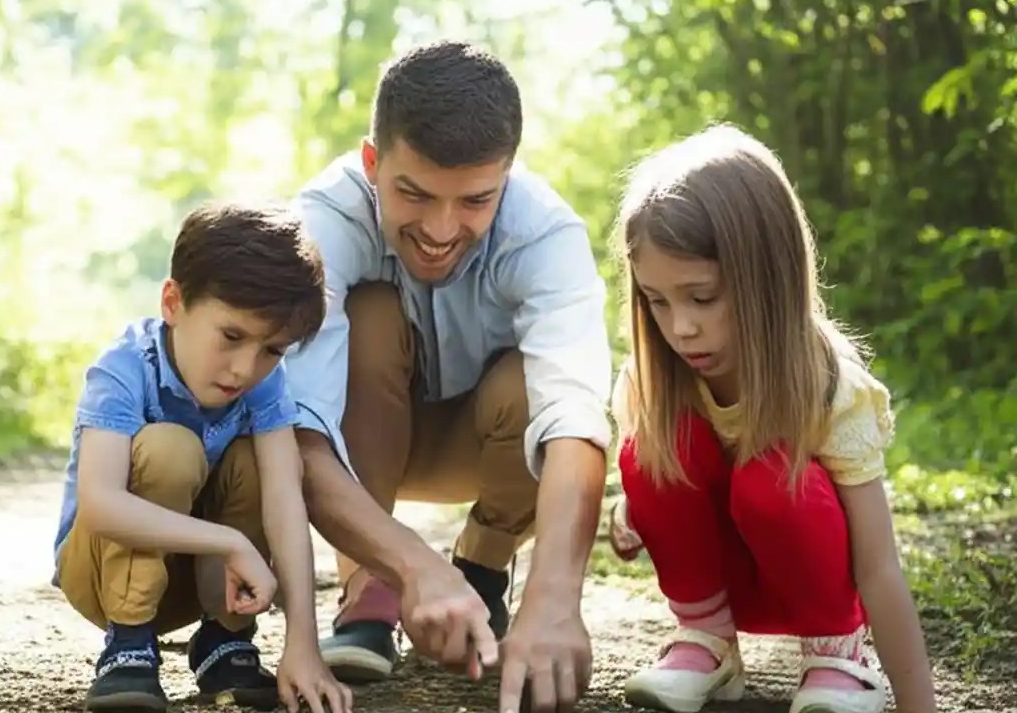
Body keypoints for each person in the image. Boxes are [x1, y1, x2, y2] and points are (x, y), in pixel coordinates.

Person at [283, 40, 615, 713]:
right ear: (372, 164)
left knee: (542, 389)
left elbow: (577, 426)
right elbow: (300, 438)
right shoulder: (320, 221)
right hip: (362, 441)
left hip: (485, 439)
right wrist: (409, 566)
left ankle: (483, 570)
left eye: (474, 201)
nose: (440, 228)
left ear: (509, 176)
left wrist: (555, 600)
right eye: (413, 193)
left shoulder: (545, 236)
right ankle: (369, 586)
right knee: (369, 316)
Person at [606, 124, 937, 713]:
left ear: (768, 280)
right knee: (651, 447)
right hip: (720, 585)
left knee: (770, 477)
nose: (680, 327)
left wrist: (919, 706)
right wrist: (636, 503)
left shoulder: (827, 386)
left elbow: (879, 566)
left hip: (812, 583)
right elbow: (670, 480)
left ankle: (839, 661)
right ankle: (707, 647)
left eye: (702, 297)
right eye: (657, 301)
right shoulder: (652, 379)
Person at [51, 202, 353, 713]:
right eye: (231, 336)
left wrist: (303, 643)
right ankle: (128, 646)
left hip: (200, 581)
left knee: (269, 460)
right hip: (102, 574)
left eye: (272, 350)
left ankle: (226, 638)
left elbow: (284, 502)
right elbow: (99, 504)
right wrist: (228, 541)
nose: (245, 368)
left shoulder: (263, 386)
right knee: (170, 447)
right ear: (173, 302)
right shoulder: (125, 369)